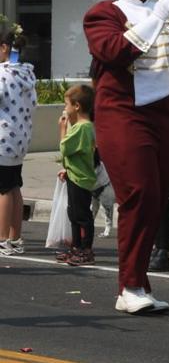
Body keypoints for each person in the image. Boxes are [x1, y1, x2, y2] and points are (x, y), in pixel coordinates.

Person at [83, 0, 169, 315]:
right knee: (138, 193)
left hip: (164, 113)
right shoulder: (103, 12)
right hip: (123, 114)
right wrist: (159, 16)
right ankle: (129, 286)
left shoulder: (159, 11)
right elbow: (114, 52)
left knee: (157, 198)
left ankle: (138, 283)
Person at [0, 22, 36, 257]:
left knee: (2, 190)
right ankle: (16, 239)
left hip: (2, 137)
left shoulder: (3, 74)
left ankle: (2, 240)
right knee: (13, 187)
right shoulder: (27, 72)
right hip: (20, 137)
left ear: (4, 48)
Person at [55, 84, 97, 266]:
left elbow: (65, 148)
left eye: (67, 105)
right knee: (73, 213)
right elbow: (78, 154)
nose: (65, 109)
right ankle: (76, 247)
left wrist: (62, 129)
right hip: (75, 175)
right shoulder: (81, 127)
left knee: (82, 215)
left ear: (77, 106)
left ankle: (86, 249)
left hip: (81, 178)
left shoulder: (82, 128)